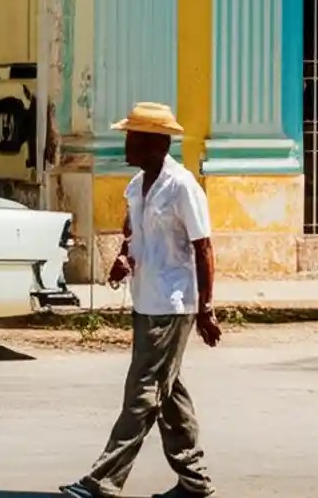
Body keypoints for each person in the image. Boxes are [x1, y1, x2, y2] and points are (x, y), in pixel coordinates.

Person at [60, 102, 223, 498]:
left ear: (155, 142)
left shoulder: (182, 186)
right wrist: (122, 258)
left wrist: (205, 307)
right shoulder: (137, 185)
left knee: (143, 393)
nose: (126, 145)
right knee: (169, 394)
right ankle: (195, 480)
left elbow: (203, 248)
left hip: (173, 303)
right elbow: (132, 231)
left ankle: (104, 481)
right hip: (145, 300)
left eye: (132, 137)